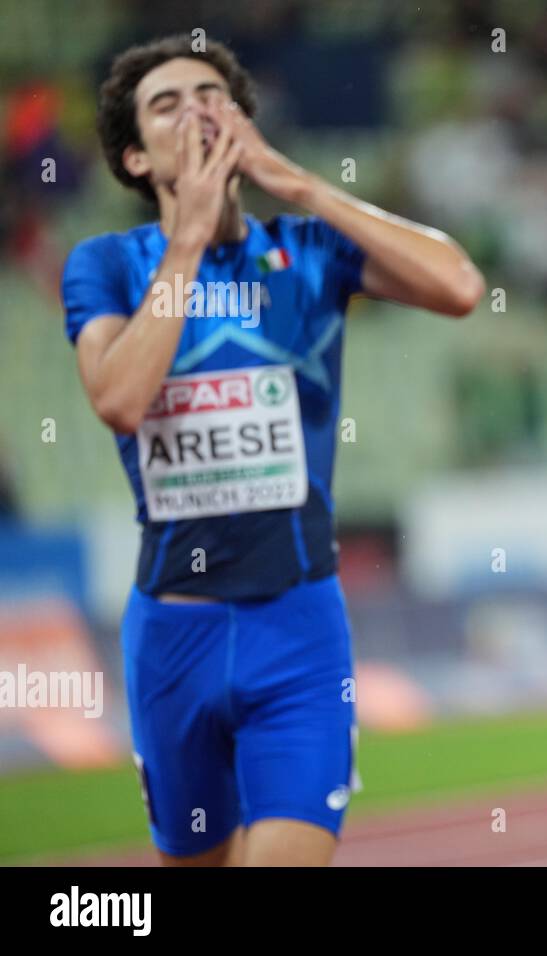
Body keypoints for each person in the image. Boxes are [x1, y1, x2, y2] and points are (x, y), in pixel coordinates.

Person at [61, 36, 484, 866]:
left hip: (298, 627)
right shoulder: (107, 265)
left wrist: (296, 182)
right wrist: (185, 244)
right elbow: (116, 401)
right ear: (136, 157)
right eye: (167, 103)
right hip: (171, 634)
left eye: (212, 94)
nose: (196, 112)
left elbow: (460, 287)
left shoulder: (310, 250)